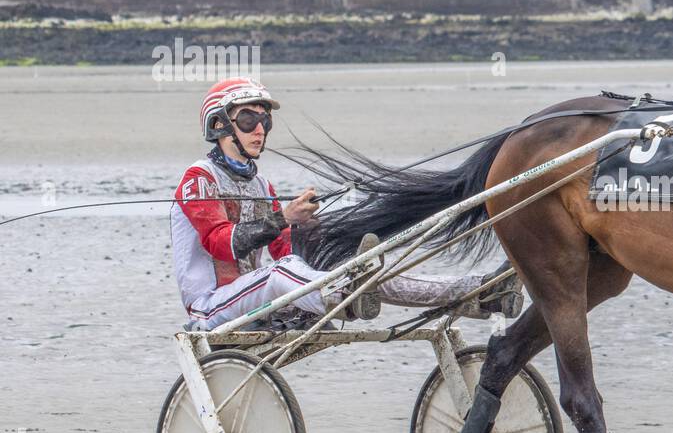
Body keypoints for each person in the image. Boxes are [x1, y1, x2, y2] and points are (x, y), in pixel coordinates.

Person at [171, 77, 520, 331]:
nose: (260, 129)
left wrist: (305, 226)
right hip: (210, 309)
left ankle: (475, 291)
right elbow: (219, 243)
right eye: (248, 119)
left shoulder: (262, 185)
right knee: (284, 273)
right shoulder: (198, 179)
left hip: (258, 301)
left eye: (265, 120)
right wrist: (283, 218)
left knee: (361, 272)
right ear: (219, 125)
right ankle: (342, 295)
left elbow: (282, 249)